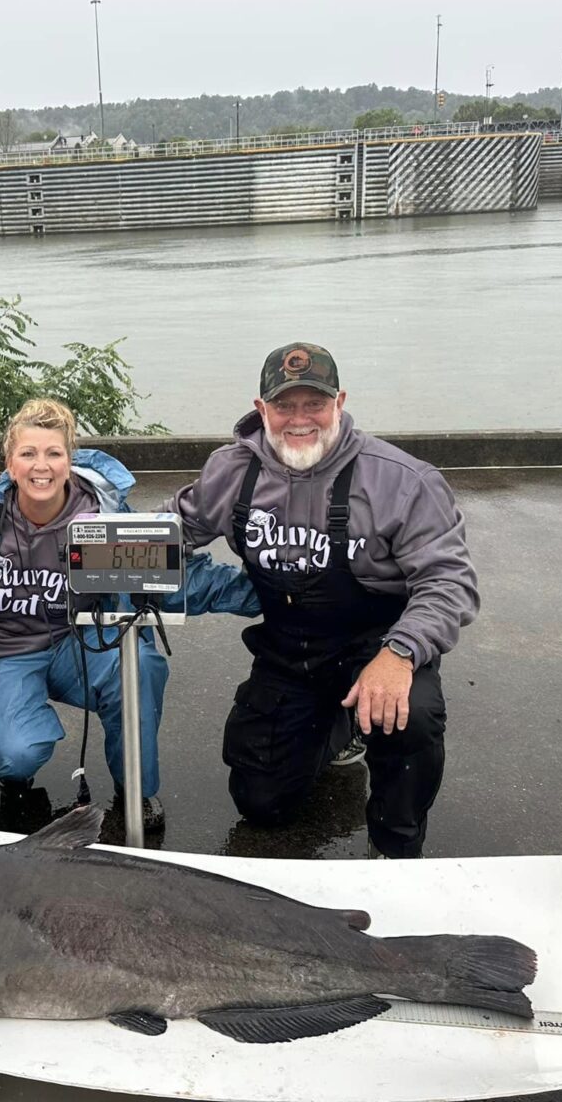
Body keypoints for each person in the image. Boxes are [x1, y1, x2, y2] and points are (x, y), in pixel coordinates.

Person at [168, 343, 478, 858]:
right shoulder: (230, 472)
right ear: (261, 408)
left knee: (412, 715)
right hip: (288, 649)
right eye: (285, 406)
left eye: (314, 403)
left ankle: (397, 843)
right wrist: (71, 536)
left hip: (374, 644)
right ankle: (340, 726)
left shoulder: (403, 481)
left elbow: (449, 583)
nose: (299, 419)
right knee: (260, 802)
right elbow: (168, 531)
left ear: (340, 403)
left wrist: (399, 655)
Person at [0, 398, 256, 834]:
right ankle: (17, 770)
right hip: (5, 653)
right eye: (28, 453)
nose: (42, 466)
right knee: (14, 755)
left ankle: (137, 787)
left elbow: (165, 575)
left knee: (142, 667)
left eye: (54, 453)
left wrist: (265, 594)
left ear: (70, 462)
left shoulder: (99, 516)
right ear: (9, 464)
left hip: (81, 641)